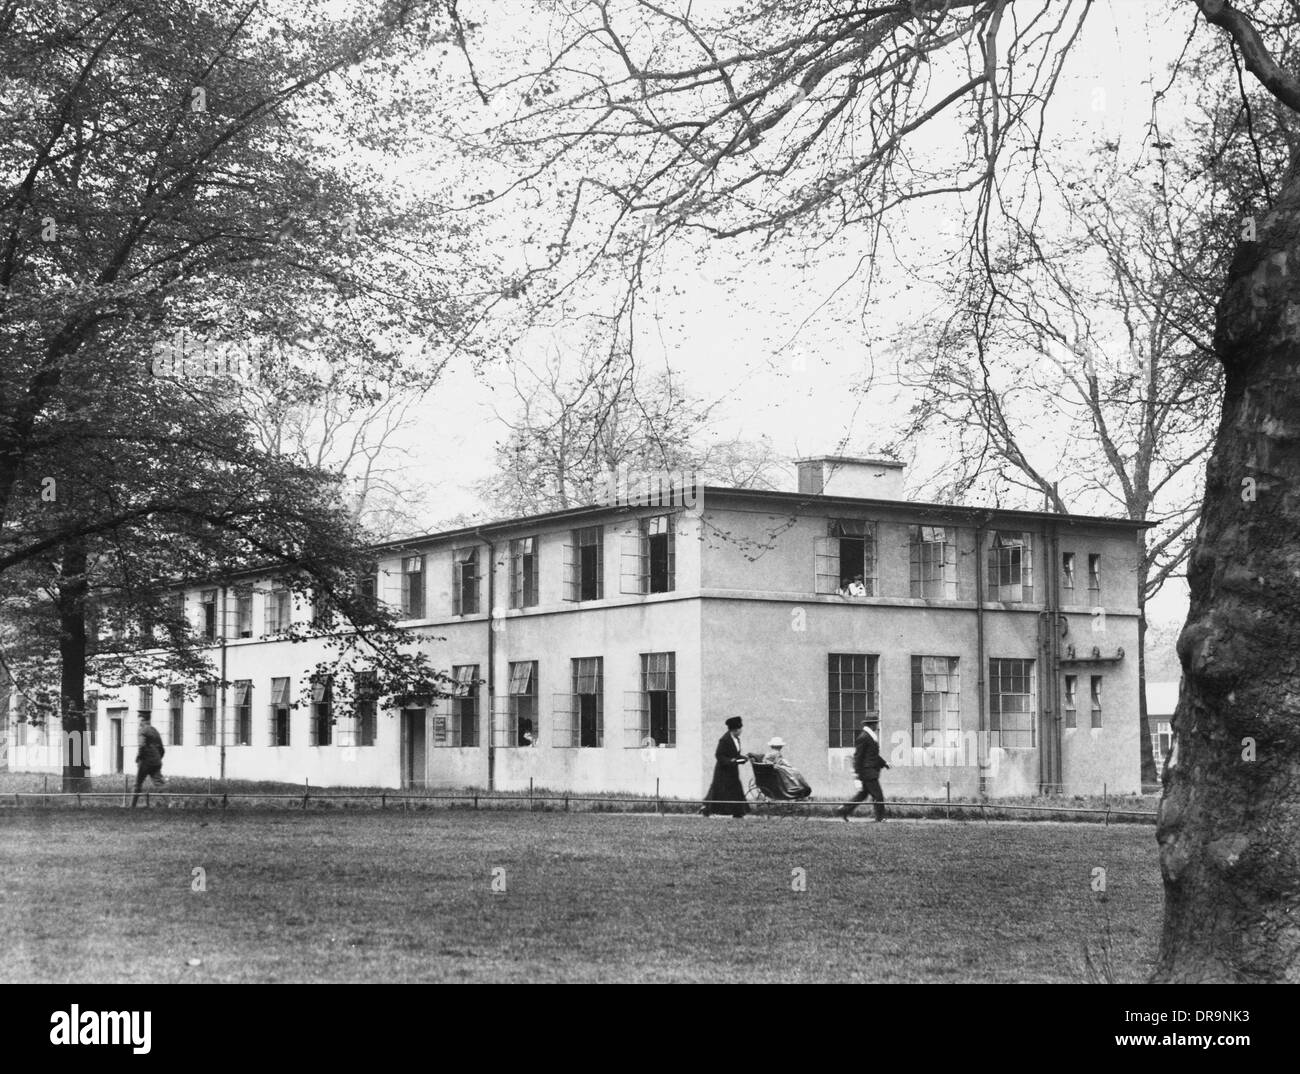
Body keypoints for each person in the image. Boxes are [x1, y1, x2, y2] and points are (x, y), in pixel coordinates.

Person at [834, 720, 889, 822]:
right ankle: (880, 819)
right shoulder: (864, 737)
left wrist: (884, 763)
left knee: (862, 795)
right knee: (878, 795)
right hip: (868, 773)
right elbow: (858, 758)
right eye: (875, 724)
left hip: (868, 772)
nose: (877, 726)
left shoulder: (869, 737)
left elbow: (873, 755)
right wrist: (857, 776)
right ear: (871, 725)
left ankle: (844, 810)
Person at [701, 716, 749, 817]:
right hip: (723, 771)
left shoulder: (736, 740)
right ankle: (707, 809)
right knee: (718, 790)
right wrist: (730, 761)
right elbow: (719, 755)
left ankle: (738, 812)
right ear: (735, 730)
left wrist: (744, 758)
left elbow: (735, 755)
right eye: (740, 729)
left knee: (735, 790)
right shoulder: (724, 740)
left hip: (733, 771)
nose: (741, 731)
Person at [130, 713, 167, 808]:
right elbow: (162, 748)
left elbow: (141, 745)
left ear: (143, 720)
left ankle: (132, 806)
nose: (138, 723)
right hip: (156, 761)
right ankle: (170, 803)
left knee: (137, 784)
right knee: (159, 783)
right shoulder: (155, 731)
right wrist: (158, 758)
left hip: (145, 762)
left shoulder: (142, 730)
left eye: (139, 720)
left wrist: (139, 757)